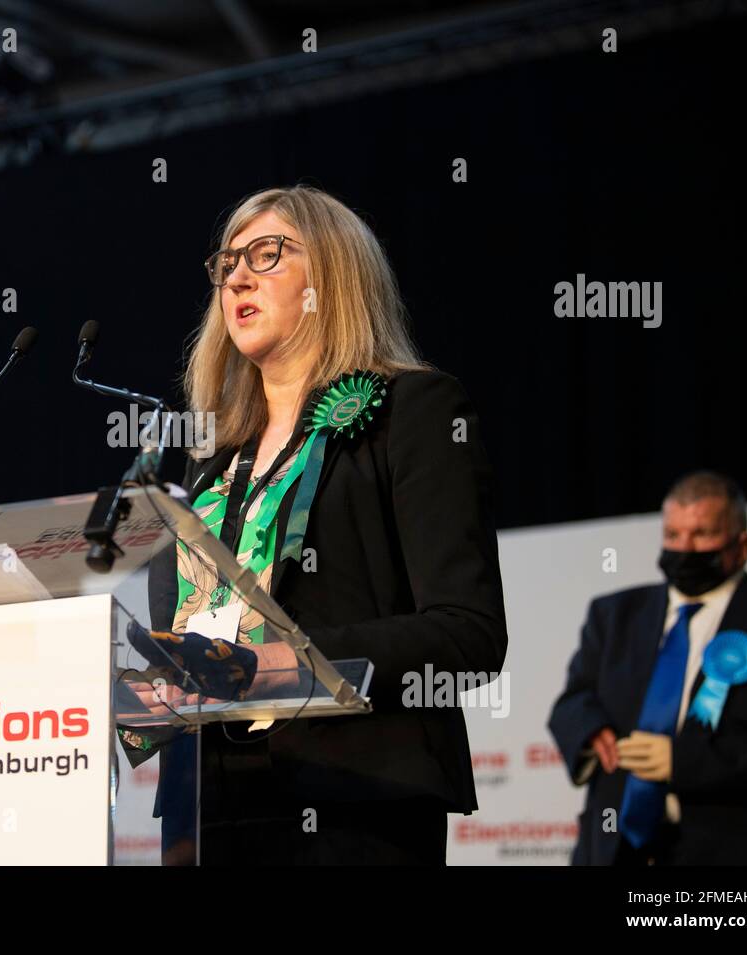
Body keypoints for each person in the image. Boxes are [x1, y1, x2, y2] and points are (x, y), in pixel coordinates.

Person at [135, 184, 508, 864]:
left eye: (268, 254)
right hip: (205, 803)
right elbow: (180, 635)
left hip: (354, 798)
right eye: (227, 263)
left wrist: (292, 663)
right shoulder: (201, 462)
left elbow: (469, 633)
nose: (238, 275)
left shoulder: (414, 410)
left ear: (332, 275)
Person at [549, 471, 747, 865]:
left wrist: (684, 761)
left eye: (702, 534)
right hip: (610, 851)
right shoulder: (613, 615)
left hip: (729, 855)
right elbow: (573, 700)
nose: (684, 548)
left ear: (742, 545)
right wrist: (589, 730)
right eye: (672, 535)